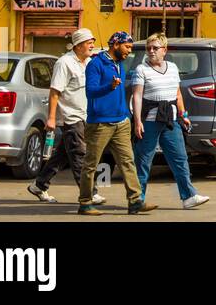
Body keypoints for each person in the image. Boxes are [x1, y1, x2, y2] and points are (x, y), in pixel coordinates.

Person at [27, 28, 105, 206]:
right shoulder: (64, 63)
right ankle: (89, 193)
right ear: (77, 45)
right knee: (80, 155)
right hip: (71, 117)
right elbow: (55, 92)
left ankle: (39, 185)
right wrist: (51, 118)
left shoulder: (88, 62)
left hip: (85, 115)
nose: (92, 45)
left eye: (92, 41)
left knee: (62, 154)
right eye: (88, 42)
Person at [77, 31, 152, 216]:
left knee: (127, 161)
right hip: (100, 124)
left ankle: (135, 201)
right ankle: (85, 203)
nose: (129, 51)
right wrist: (108, 87)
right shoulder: (96, 64)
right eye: (127, 47)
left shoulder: (120, 64)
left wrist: (127, 116)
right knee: (91, 164)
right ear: (116, 45)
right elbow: (91, 91)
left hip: (121, 122)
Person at [131, 33, 208, 210]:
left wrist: (184, 115)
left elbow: (177, 93)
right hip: (149, 120)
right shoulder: (141, 70)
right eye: (148, 48)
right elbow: (137, 96)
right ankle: (137, 200)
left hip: (170, 120)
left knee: (179, 158)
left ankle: (189, 196)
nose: (151, 51)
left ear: (164, 50)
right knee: (143, 161)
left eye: (155, 48)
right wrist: (137, 122)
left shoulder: (172, 68)